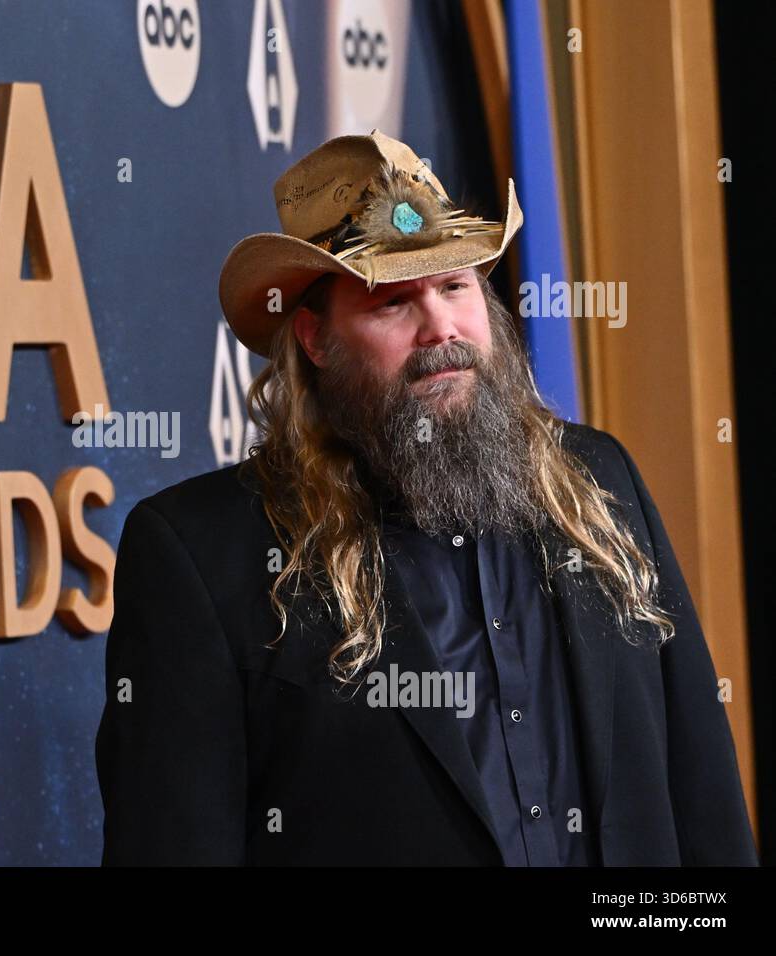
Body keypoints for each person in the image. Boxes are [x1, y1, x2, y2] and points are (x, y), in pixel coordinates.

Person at [94, 131, 758, 866]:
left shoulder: (601, 481)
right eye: (393, 301)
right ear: (315, 337)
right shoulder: (203, 554)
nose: (440, 327)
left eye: (454, 286)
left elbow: (704, 799)